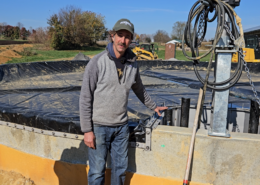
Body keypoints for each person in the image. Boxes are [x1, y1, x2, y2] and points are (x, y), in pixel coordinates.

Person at [79, 18, 167, 185]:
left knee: (119, 171)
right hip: (99, 127)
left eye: (127, 37)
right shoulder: (97, 62)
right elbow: (85, 97)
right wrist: (87, 130)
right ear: (112, 36)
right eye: (120, 35)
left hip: (121, 128)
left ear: (131, 40)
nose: (123, 40)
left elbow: (139, 89)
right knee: (97, 173)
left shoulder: (133, 64)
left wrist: (153, 106)